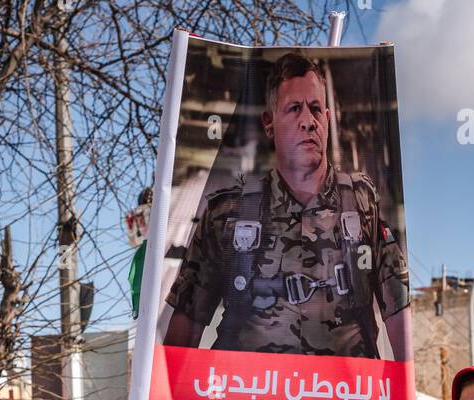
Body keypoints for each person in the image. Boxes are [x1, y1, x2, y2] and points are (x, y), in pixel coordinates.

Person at [163, 51, 410, 358]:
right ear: (269, 123)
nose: (309, 121)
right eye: (295, 109)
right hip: (246, 398)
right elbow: (186, 323)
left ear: (328, 120)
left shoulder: (360, 204)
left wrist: (403, 395)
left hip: (345, 398)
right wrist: (169, 399)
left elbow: (398, 307)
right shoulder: (228, 214)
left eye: (316, 109)